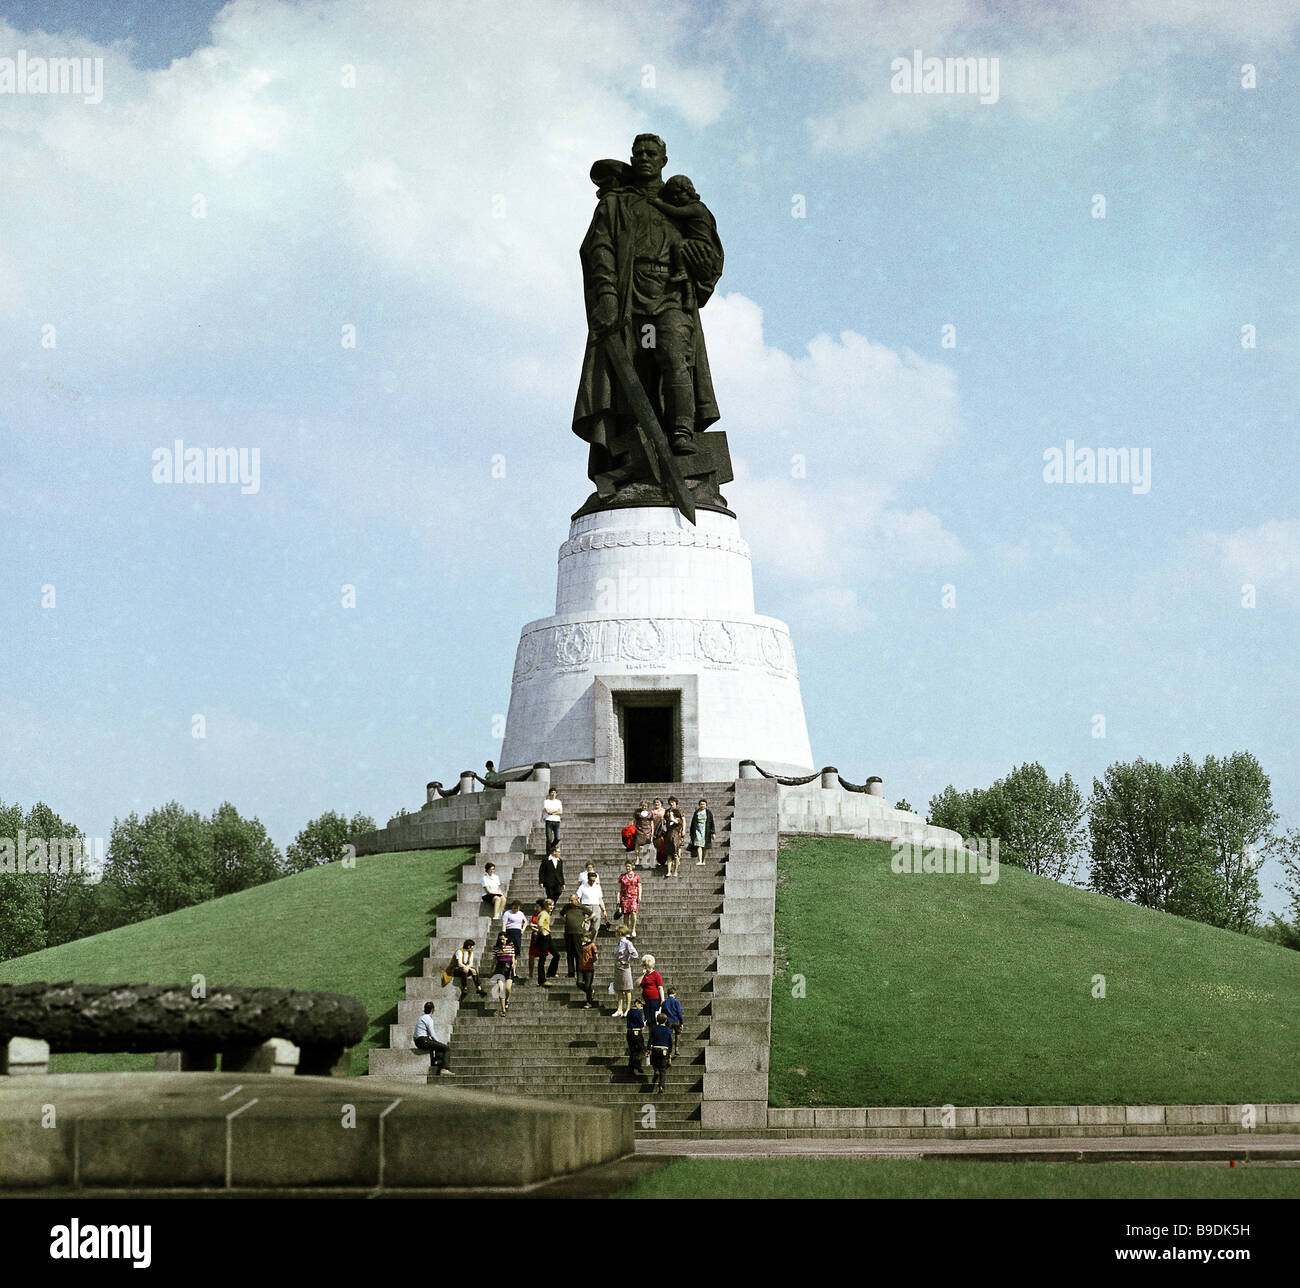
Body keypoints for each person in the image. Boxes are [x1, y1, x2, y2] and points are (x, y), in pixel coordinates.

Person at [573, 134, 724, 489]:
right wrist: (607, 294)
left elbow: (711, 254)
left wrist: (701, 267)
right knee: (634, 372)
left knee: (674, 358)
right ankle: (634, 455)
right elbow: (599, 250)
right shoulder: (615, 204)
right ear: (631, 157)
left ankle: (681, 433)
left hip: (671, 294)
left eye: (651, 153)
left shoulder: (681, 203)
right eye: (638, 152)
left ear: (664, 160)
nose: (643, 157)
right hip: (629, 297)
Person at [413, 1000, 453, 1077]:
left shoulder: (421, 1017)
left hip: (418, 1041)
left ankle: (436, 1061)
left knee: (436, 1046)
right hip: (423, 1040)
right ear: (432, 1010)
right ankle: (444, 1068)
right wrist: (438, 1042)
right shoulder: (428, 1019)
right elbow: (432, 1034)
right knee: (446, 1048)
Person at [612, 924, 639, 1016]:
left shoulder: (627, 943)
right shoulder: (619, 943)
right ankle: (619, 1009)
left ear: (619, 933)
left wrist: (627, 961)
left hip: (624, 968)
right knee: (619, 989)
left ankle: (627, 1009)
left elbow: (635, 954)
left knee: (627, 989)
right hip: (618, 967)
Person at [561, 895, 588, 977]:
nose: (570, 902)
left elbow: (592, 914)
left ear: (577, 900)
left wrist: (585, 920)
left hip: (578, 932)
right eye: (569, 900)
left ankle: (580, 971)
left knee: (578, 953)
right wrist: (565, 920)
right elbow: (561, 914)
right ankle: (571, 972)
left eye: (571, 900)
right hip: (568, 932)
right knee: (569, 953)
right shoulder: (567, 907)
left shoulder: (581, 907)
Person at [576, 869, 607, 937]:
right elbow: (578, 898)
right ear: (588, 879)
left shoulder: (597, 887)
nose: (592, 882)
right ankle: (585, 941)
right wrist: (580, 908)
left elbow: (600, 899)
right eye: (591, 880)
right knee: (586, 926)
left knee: (596, 927)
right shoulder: (582, 887)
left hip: (596, 906)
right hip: (586, 906)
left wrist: (604, 910)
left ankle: (592, 943)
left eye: (594, 880)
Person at [648, 1010, 673, 1093]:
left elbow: (650, 1040)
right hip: (664, 1049)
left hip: (655, 1048)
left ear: (657, 1020)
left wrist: (648, 1049)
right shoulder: (667, 1029)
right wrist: (670, 1052)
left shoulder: (654, 1029)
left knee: (654, 1062)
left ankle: (655, 1070)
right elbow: (670, 1041)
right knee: (663, 1069)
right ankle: (661, 1086)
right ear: (665, 1021)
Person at [492, 932, 516, 1015]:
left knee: (508, 988)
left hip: (508, 968)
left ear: (506, 938)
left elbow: (513, 957)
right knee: (501, 989)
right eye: (500, 939)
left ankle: (507, 1000)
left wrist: (514, 970)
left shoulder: (511, 946)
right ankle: (503, 1010)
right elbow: (494, 959)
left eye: (503, 939)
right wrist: (491, 970)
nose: (502, 941)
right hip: (499, 968)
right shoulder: (496, 948)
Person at [535, 899, 557, 985]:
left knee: (556, 954)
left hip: (547, 935)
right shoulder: (544, 913)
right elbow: (540, 923)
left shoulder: (546, 913)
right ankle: (542, 980)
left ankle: (551, 972)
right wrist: (543, 931)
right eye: (549, 905)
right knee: (542, 958)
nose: (551, 907)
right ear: (545, 906)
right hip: (544, 936)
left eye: (552, 905)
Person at [618, 859, 642, 938]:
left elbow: (639, 886)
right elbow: (619, 888)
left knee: (633, 912)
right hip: (625, 897)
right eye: (627, 866)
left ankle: (633, 929)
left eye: (629, 866)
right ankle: (627, 931)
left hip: (634, 896)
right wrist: (618, 898)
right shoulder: (622, 876)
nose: (628, 868)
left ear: (632, 866)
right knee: (626, 915)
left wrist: (639, 896)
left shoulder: (636, 876)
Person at [663, 797, 685, 877]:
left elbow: (683, 820)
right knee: (669, 853)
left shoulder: (679, 810)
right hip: (669, 832)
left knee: (676, 852)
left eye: (673, 802)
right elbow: (665, 820)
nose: (671, 803)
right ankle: (669, 871)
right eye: (670, 802)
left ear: (676, 802)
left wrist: (683, 830)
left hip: (677, 832)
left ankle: (675, 870)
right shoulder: (667, 811)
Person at [660, 986, 684, 1060]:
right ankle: (676, 1049)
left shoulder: (664, 1003)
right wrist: (681, 1022)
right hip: (676, 1020)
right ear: (674, 993)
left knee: (668, 1036)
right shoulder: (676, 1002)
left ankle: (669, 1052)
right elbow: (679, 1012)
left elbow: (662, 1013)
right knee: (678, 1033)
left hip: (668, 1021)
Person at [691, 797, 715, 865]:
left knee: (704, 846)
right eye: (701, 804)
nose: (702, 805)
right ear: (699, 805)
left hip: (706, 830)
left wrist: (713, 832)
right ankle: (699, 860)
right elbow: (693, 823)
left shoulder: (708, 812)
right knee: (699, 845)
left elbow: (711, 822)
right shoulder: (696, 812)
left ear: (706, 805)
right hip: (698, 830)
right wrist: (692, 833)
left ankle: (703, 860)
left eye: (704, 804)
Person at [639, 954, 664, 1020]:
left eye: (646, 966)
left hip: (654, 999)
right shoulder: (644, 976)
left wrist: (662, 999)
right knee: (648, 1019)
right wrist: (642, 975)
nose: (644, 967)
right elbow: (637, 984)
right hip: (645, 1000)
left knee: (654, 1018)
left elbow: (660, 987)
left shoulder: (656, 974)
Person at [625, 1000, 646, 1075]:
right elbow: (639, 1021)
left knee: (633, 1050)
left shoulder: (630, 1011)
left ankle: (631, 1067)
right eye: (641, 1005)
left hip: (629, 1032)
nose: (642, 1007)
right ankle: (636, 1063)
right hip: (636, 1032)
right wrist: (643, 1024)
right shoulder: (637, 1012)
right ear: (636, 1004)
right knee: (641, 1048)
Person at [578, 932, 598, 1008]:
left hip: (589, 969)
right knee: (579, 983)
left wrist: (591, 961)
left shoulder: (592, 945)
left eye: (583, 937)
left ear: (587, 937)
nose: (582, 939)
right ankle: (590, 991)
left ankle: (589, 1002)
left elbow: (596, 956)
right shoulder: (583, 946)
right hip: (581, 968)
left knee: (587, 986)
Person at [634, 800, 655, 869]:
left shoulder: (650, 813)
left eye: (645, 806)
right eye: (643, 805)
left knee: (647, 845)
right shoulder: (637, 812)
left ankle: (645, 858)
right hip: (639, 829)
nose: (644, 807)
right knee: (637, 844)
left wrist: (652, 831)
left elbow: (652, 822)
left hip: (647, 830)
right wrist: (632, 828)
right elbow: (634, 821)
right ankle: (637, 858)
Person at [543, 787, 563, 852]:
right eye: (552, 792)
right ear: (549, 794)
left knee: (558, 838)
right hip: (549, 821)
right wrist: (555, 811)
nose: (553, 794)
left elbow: (560, 812)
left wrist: (552, 812)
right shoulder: (546, 801)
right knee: (549, 838)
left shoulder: (558, 802)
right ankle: (548, 854)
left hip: (557, 821)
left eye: (554, 792)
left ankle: (551, 847)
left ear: (556, 794)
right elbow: (548, 811)